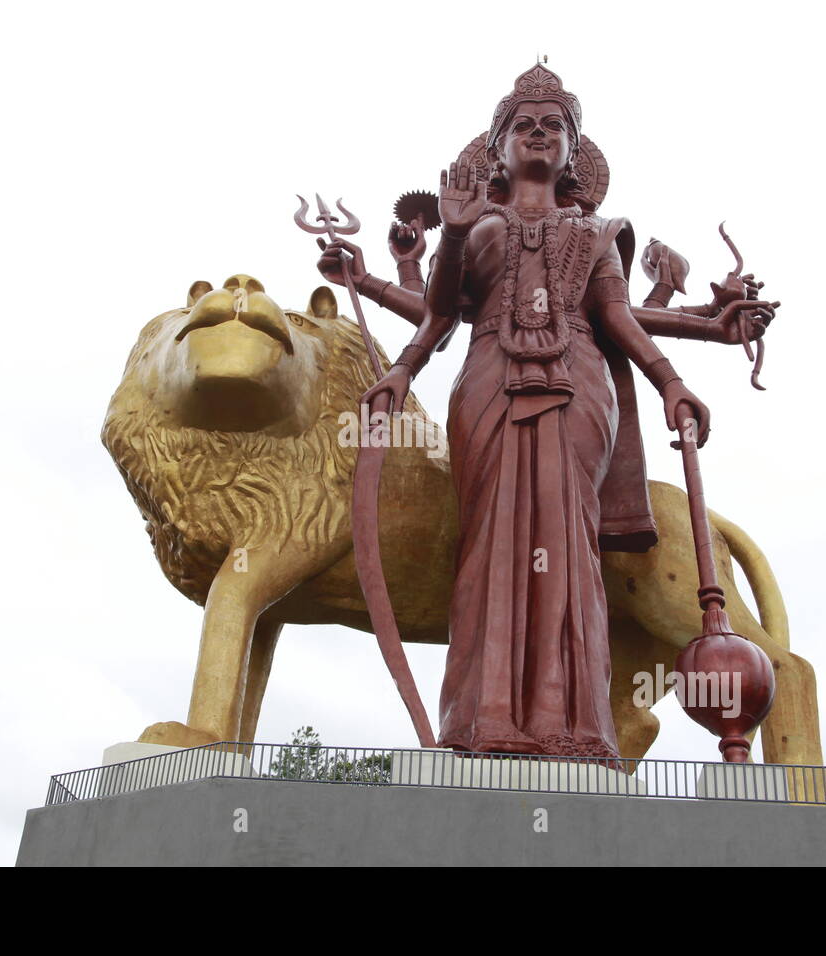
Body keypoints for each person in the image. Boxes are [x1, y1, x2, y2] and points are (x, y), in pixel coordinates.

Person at [321, 64, 769, 759]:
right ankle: (480, 722)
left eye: (552, 126)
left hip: (577, 384)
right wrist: (404, 367)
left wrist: (669, 383)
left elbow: (620, 317)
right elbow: (442, 313)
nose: (537, 135)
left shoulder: (595, 232)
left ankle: (576, 726)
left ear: (571, 150)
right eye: (522, 126)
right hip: (489, 379)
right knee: (491, 542)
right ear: (497, 148)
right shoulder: (476, 221)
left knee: (566, 540)